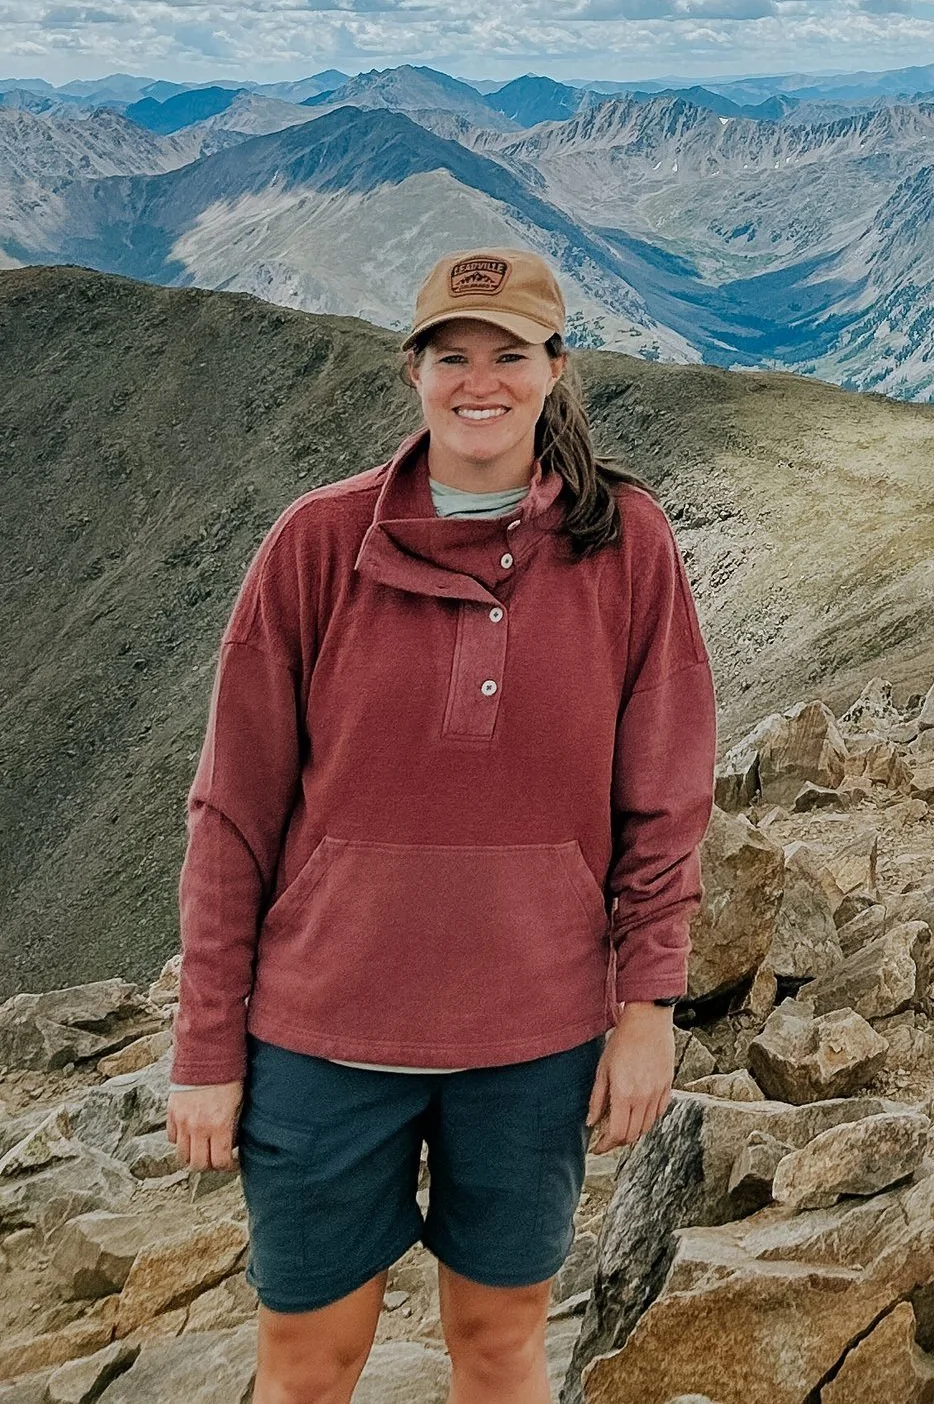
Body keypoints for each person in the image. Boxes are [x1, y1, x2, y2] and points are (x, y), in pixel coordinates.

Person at [164, 248, 718, 1404]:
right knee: (309, 1365)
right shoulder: (318, 544)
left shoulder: (627, 544)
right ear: (411, 372)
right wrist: (208, 1049)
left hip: (534, 1038)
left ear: (555, 371)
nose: (481, 382)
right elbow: (231, 814)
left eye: (509, 355)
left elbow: (664, 798)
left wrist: (647, 1008)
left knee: (501, 1346)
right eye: (452, 355)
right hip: (320, 1041)